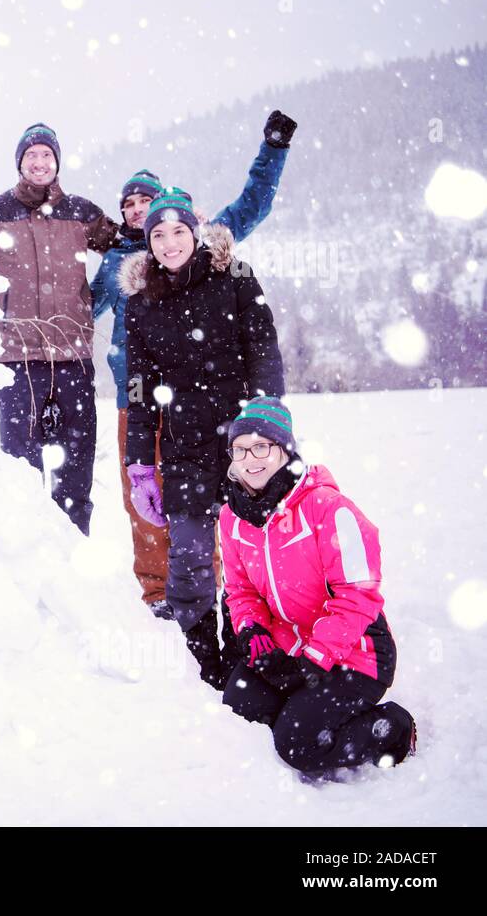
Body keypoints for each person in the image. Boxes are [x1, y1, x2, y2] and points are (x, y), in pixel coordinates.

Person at [90, 111, 296, 618]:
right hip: (141, 399)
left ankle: (238, 592)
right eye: (130, 205)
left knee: (226, 503)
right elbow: (77, 307)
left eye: (148, 203)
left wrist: (271, 150)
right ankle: (162, 591)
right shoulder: (119, 266)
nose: (139, 213)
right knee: (151, 503)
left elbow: (252, 205)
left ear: (185, 222)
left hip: (218, 406)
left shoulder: (221, 266)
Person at [119, 187, 285, 689]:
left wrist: (268, 418)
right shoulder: (140, 301)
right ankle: (204, 662)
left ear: (194, 232)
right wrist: (139, 464)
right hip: (184, 443)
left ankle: (249, 648)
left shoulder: (232, 276)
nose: (170, 244)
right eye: (159, 235)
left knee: (248, 553)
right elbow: (140, 388)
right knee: (189, 557)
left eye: (179, 231)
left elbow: (264, 345)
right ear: (148, 243)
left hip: (244, 439)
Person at [218, 399, 416, 777]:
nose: (250, 459)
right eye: (240, 448)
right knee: (240, 704)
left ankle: (393, 729)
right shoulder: (232, 518)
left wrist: (314, 660)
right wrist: (253, 630)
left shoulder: (328, 508)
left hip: (356, 652)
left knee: (298, 744)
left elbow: (359, 595)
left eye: (262, 446)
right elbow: (240, 590)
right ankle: (304, 709)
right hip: (290, 647)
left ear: (285, 450)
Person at [0, 123, 120, 535]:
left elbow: (127, 243)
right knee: (20, 467)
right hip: (16, 358)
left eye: (46, 156)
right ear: (20, 162)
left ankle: (75, 551)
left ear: (57, 162)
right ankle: (27, 553)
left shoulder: (81, 212)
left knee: (76, 467)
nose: (39, 162)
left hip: (73, 356)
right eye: (31, 155)